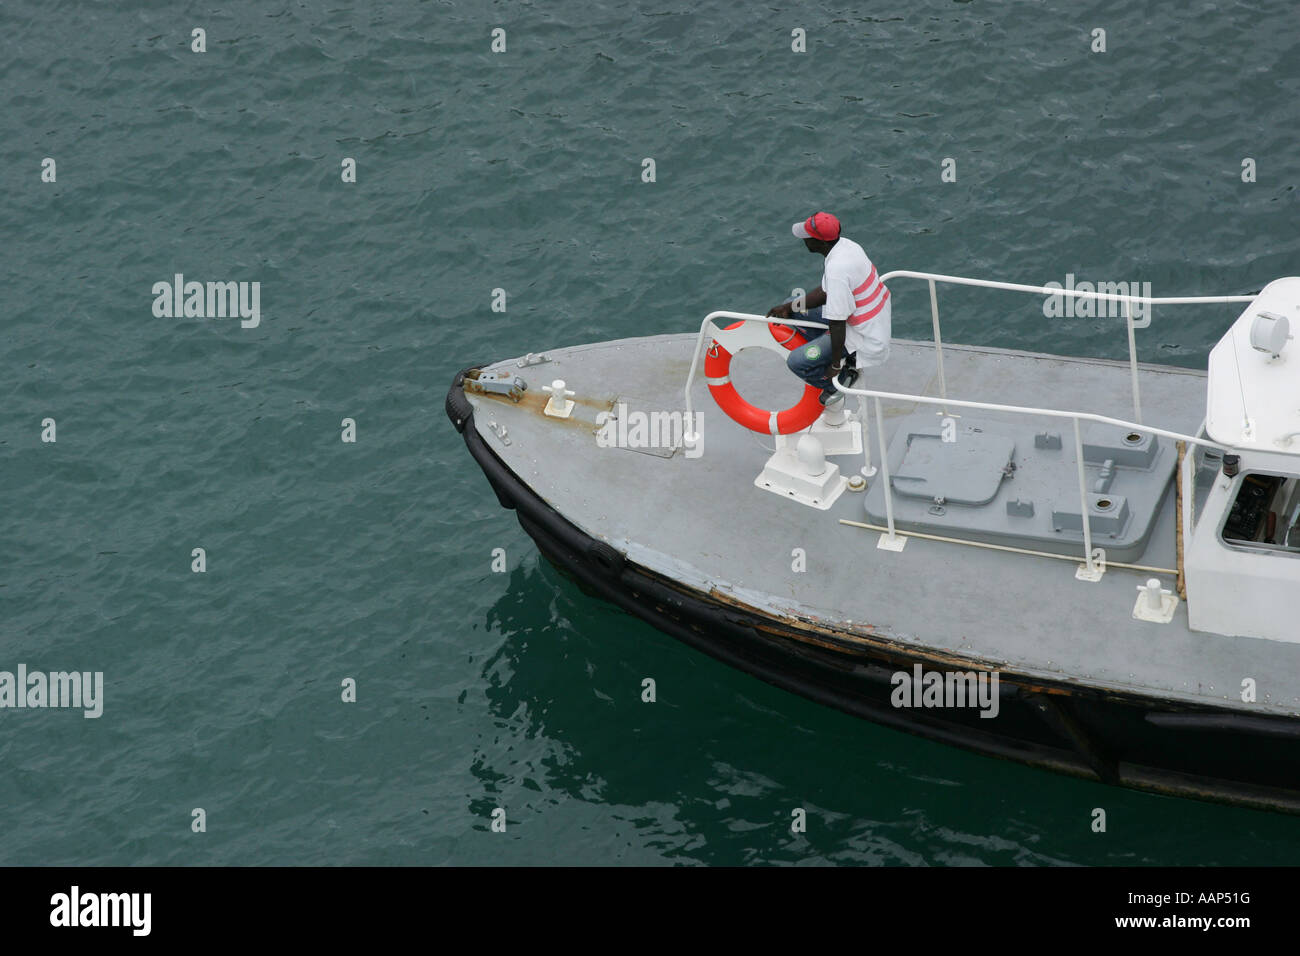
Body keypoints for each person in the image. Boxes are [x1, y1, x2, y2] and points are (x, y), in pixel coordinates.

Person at [766, 212, 892, 405]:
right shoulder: (847, 247)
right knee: (793, 303)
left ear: (820, 243)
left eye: (807, 237)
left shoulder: (837, 270)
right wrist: (787, 307)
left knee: (797, 362)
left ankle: (839, 381)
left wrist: (834, 364)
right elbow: (824, 293)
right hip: (865, 320)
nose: (804, 239)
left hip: (861, 336)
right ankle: (831, 352)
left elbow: (838, 322)